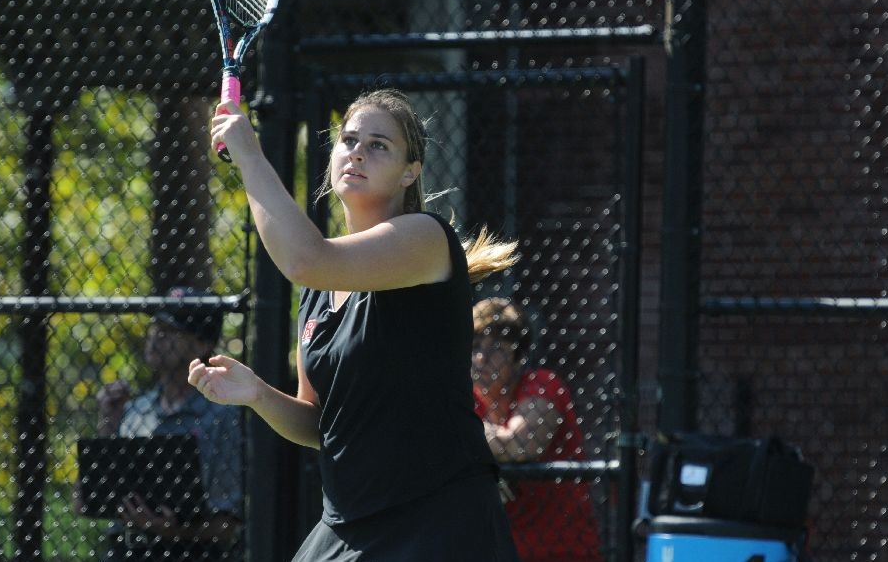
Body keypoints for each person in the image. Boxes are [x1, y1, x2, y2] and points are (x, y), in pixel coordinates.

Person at [188, 88, 523, 561]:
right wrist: (258, 394)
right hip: (347, 524)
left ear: (411, 172)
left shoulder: (426, 239)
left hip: (437, 521)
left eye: (379, 144)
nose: (358, 152)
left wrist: (249, 156)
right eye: (348, 140)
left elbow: (305, 258)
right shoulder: (319, 289)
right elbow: (319, 423)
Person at [89, 285, 244, 561]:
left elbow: (228, 525)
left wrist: (173, 531)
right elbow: (86, 500)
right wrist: (108, 425)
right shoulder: (135, 409)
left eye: (171, 330)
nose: (156, 336)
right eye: (155, 326)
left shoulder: (222, 415)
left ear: (202, 344)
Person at [471, 297, 603, 562]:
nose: (482, 358)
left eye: (496, 348)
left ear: (518, 356)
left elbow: (519, 444)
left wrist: (467, 440)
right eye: (474, 347)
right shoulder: (467, 400)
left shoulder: (543, 385)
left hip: (561, 551)